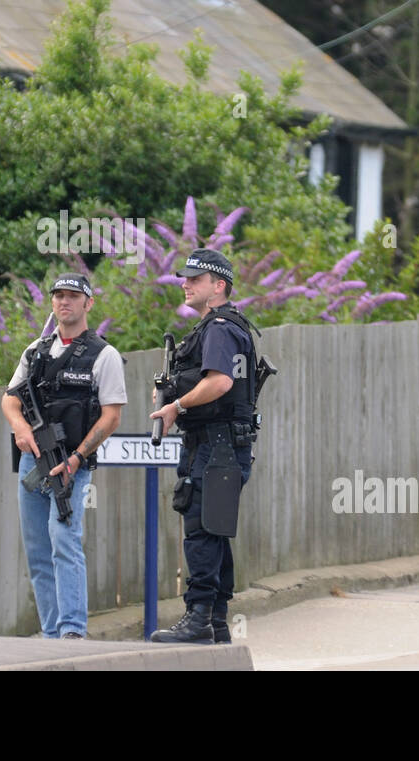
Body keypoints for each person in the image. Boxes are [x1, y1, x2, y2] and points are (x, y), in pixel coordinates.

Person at [2, 273, 125, 640]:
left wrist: (77, 457)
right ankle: (51, 632)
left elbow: (112, 416)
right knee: (38, 549)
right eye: (58, 296)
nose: (63, 302)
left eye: (73, 296)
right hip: (33, 461)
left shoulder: (105, 355)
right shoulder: (35, 351)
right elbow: (10, 399)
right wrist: (20, 428)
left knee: (64, 540)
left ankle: (73, 631)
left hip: (72, 463)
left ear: (88, 303)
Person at [148, 248, 258, 644]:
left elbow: (220, 383)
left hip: (217, 446)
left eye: (195, 279)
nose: (185, 283)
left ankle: (198, 621)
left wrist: (176, 405)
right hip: (218, 445)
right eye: (185, 277)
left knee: (201, 528)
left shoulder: (219, 328)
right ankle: (216, 622)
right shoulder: (221, 326)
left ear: (219, 285)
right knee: (213, 529)